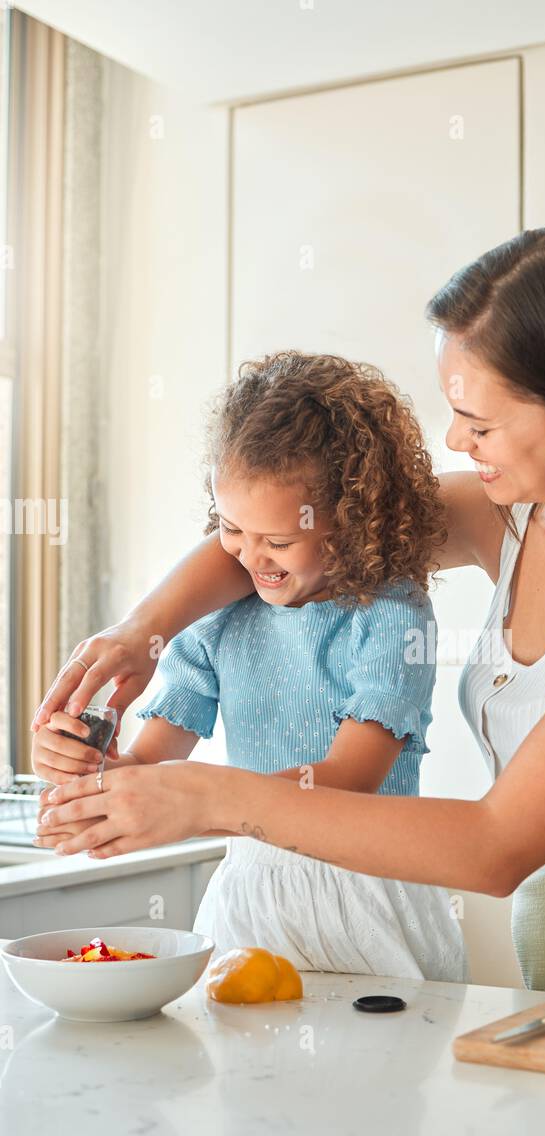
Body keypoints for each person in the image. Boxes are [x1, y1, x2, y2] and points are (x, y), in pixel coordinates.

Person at [34, 226, 545, 1002]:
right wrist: (139, 634)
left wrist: (208, 797)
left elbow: (493, 846)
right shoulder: (525, 515)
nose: (455, 440)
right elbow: (295, 531)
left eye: (481, 422)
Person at [33, 351, 466, 984]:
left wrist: (198, 799)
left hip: (372, 897)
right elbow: (151, 760)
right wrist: (94, 770)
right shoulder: (220, 614)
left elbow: (348, 780)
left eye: (279, 541)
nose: (249, 558)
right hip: (251, 900)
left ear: (352, 523)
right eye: (231, 529)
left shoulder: (391, 616)